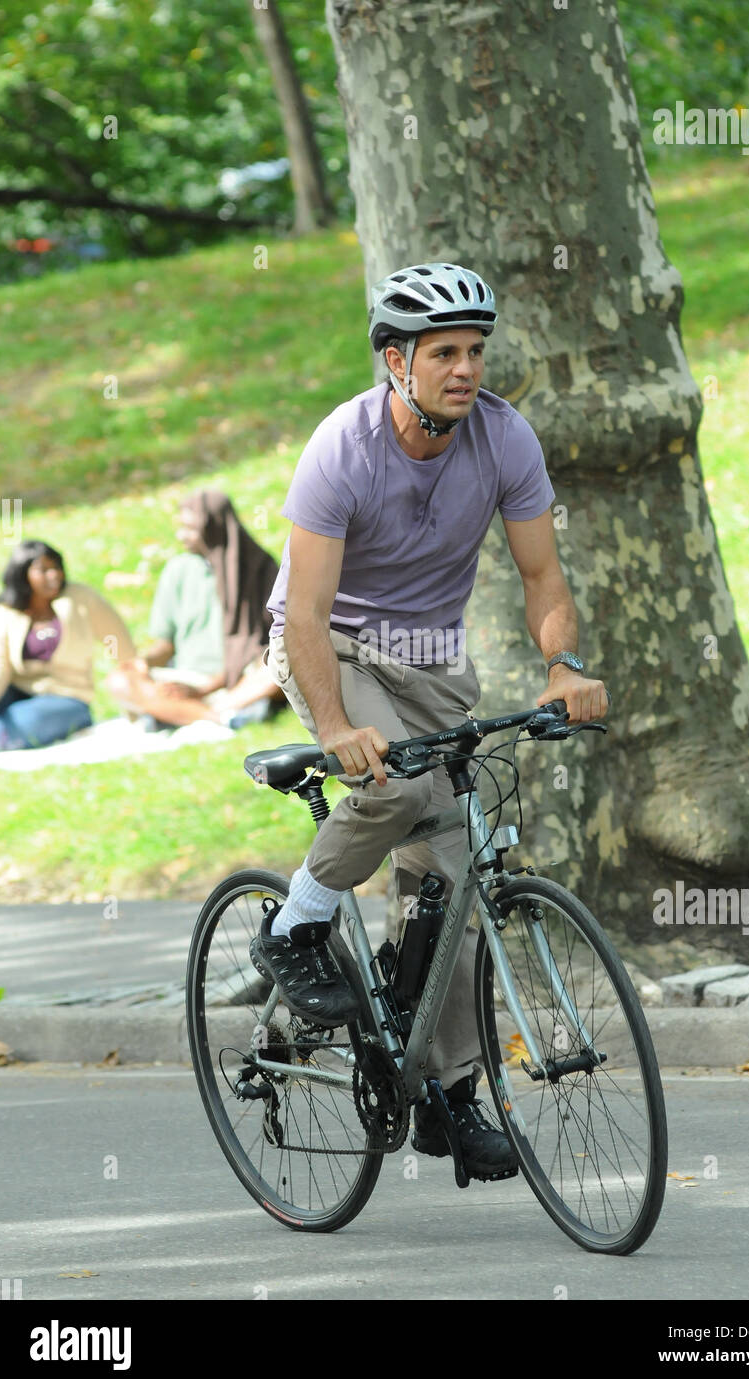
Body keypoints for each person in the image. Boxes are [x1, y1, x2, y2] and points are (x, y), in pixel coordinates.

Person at [249, 261, 609, 1180]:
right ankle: (294, 926)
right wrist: (335, 727)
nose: (464, 368)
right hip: (332, 646)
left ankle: (449, 1096)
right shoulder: (343, 446)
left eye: (475, 350)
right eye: (442, 352)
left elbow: (543, 581)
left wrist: (561, 664)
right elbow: (305, 614)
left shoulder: (503, 438)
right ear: (394, 362)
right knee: (392, 787)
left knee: (455, 885)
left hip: (433, 663)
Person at [108, 490, 284, 730]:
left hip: (238, 680)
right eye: (181, 527)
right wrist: (144, 662)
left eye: (190, 528)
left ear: (214, 526)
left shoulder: (259, 566)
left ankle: (187, 714)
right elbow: (165, 644)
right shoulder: (177, 569)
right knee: (120, 680)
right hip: (185, 677)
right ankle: (216, 719)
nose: (181, 535)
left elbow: (265, 645)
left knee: (278, 666)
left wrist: (205, 689)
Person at [0, 540, 137, 753]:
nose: (54, 576)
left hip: (67, 697)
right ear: (22, 573)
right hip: (17, 692)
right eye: (43, 570)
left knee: (17, 723)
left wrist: (129, 672)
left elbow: (114, 639)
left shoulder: (81, 599)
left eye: (56, 568)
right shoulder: (3, 615)